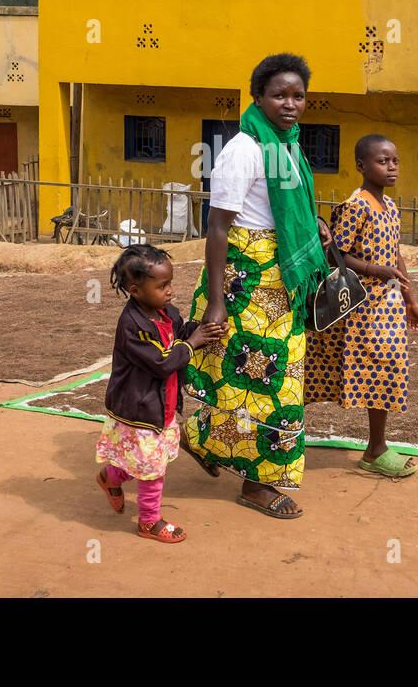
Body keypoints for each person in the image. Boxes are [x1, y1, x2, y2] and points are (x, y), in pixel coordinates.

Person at [182, 54, 333, 519]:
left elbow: (287, 211)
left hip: (282, 281)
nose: (291, 104)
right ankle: (256, 484)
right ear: (258, 98)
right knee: (269, 384)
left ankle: (202, 440)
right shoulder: (245, 149)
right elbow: (219, 227)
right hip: (246, 285)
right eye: (279, 95)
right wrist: (214, 302)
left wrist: (315, 226)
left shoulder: (288, 147)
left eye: (298, 95)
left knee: (266, 378)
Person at [304, 134, 418, 477]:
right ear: (361, 165)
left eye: (395, 161)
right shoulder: (355, 206)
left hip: (386, 306)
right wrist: (374, 269)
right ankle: (279, 432)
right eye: (382, 161)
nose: (391, 167)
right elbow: (334, 252)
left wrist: (411, 299)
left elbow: (396, 254)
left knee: (385, 370)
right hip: (354, 305)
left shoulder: (390, 206)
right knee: (319, 370)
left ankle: (376, 448)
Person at [96, 244, 225, 543]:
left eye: (170, 283)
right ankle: (149, 521)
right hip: (140, 409)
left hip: (160, 405)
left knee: (142, 461)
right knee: (153, 469)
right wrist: (193, 343)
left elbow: (180, 335)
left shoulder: (166, 313)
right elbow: (161, 362)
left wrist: (201, 329)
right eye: (162, 285)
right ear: (135, 291)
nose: (169, 291)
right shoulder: (133, 325)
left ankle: (110, 477)